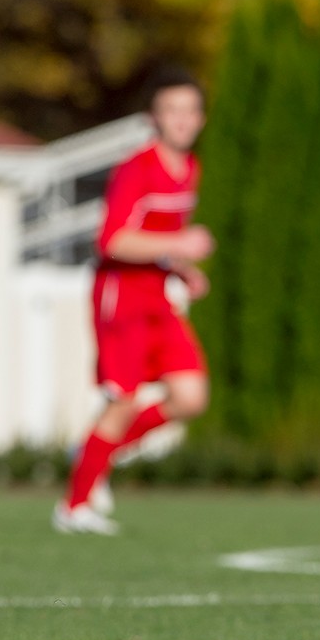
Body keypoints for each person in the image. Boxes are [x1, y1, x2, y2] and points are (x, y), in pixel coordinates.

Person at [53, 70, 215, 535]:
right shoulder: (136, 168)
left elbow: (157, 239)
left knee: (191, 396)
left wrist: (181, 269)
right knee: (122, 401)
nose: (181, 120)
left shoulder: (191, 169)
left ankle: (97, 451)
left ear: (201, 119)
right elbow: (112, 240)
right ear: (153, 118)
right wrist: (181, 245)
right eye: (171, 110)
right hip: (120, 297)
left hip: (158, 297)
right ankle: (74, 506)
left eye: (190, 111)